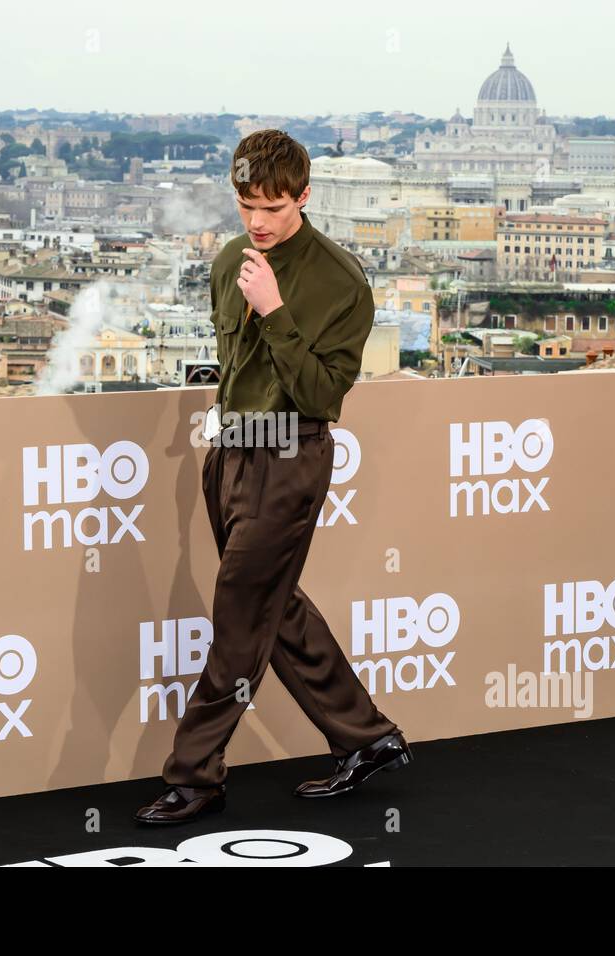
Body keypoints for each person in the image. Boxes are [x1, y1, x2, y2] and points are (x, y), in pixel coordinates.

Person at [135, 129, 411, 825]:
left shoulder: (340, 280)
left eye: (274, 207)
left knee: (238, 618)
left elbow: (321, 396)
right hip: (229, 453)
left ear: (304, 197)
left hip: (291, 458)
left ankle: (196, 776)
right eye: (246, 204)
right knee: (272, 608)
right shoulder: (229, 259)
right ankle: (367, 737)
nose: (258, 221)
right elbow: (234, 371)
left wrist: (276, 312)